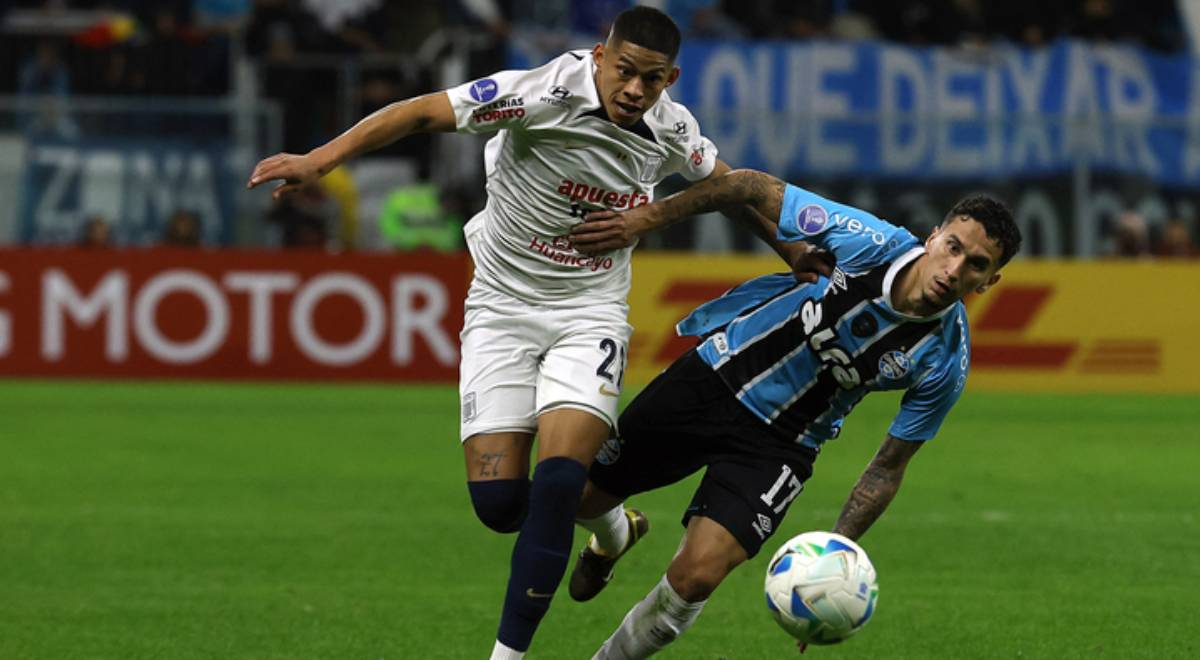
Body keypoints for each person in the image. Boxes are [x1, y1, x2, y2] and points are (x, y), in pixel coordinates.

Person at [246, 8, 787, 659]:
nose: (635, 91)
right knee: (501, 504)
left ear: (670, 77)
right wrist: (321, 159)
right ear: (597, 57)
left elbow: (730, 185)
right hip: (500, 310)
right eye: (624, 72)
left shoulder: (671, 129)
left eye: (651, 79)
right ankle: (615, 530)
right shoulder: (541, 93)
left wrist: (795, 252)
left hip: (589, 314)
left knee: (559, 483)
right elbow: (422, 111)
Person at [564, 169, 1022, 658]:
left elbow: (888, 467)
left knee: (695, 577)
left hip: (783, 445)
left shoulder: (945, 359)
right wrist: (644, 219)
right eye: (952, 247)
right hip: (715, 377)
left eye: (975, 264)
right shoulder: (868, 242)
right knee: (577, 500)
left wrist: (833, 560)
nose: (954, 270)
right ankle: (613, 536)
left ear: (989, 280)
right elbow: (746, 186)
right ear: (933, 237)